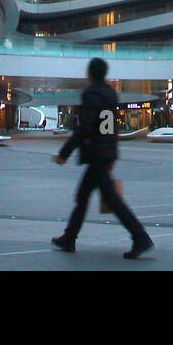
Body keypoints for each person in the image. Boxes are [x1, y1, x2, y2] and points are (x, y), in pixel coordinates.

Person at [51, 57, 153, 259]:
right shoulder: (110, 93)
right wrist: (111, 154)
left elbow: (86, 127)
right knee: (83, 196)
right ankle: (69, 237)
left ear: (90, 73)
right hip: (104, 153)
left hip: (96, 153)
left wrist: (64, 153)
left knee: (111, 200)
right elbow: (110, 127)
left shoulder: (91, 94)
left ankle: (140, 238)